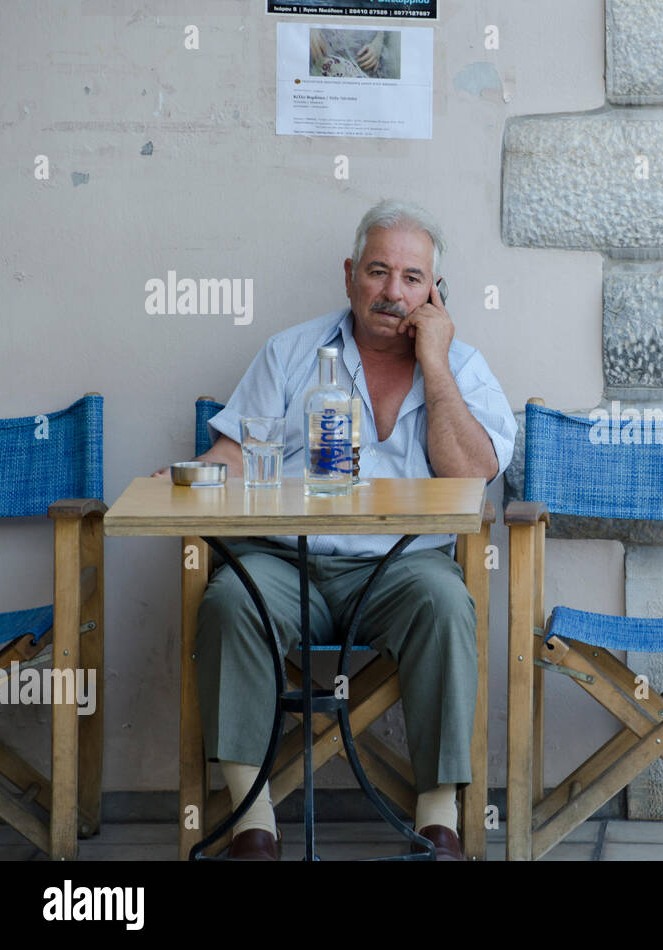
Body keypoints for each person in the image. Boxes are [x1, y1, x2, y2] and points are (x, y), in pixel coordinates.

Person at [156, 200, 518, 859]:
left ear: (435, 290)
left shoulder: (462, 368)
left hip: (404, 569)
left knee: (447, 605)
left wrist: (433, 361)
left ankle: (438, 823)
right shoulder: (290, 352)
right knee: (230, 602)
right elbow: (236, 452)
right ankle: (252, 826)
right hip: (284, 559)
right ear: (350, 274)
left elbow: (472, 474)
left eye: (413, 278)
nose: (392, 292)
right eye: (379, 272)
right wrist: (187, 476)